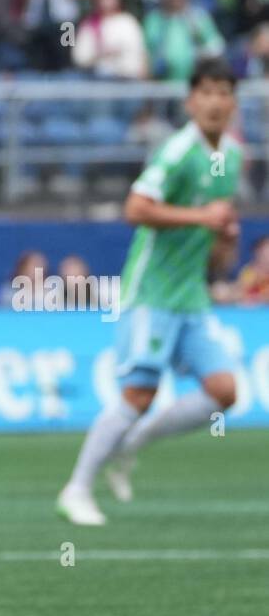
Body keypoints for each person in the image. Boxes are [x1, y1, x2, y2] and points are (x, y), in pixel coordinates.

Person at [57, 59, 242, 526]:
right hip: (152, 292)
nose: (216, 101)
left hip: (192, 295)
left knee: (224, 391)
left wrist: (223, 240)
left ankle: (133, 444)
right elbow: (135, 208)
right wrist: (203, 219)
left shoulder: (232, 158)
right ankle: (76, 489)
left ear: (234, 101)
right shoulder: (178, 152)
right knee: (138, 393)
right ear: (191, 101)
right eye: (207, 92)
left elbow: (218, 251)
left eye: (224, 92)